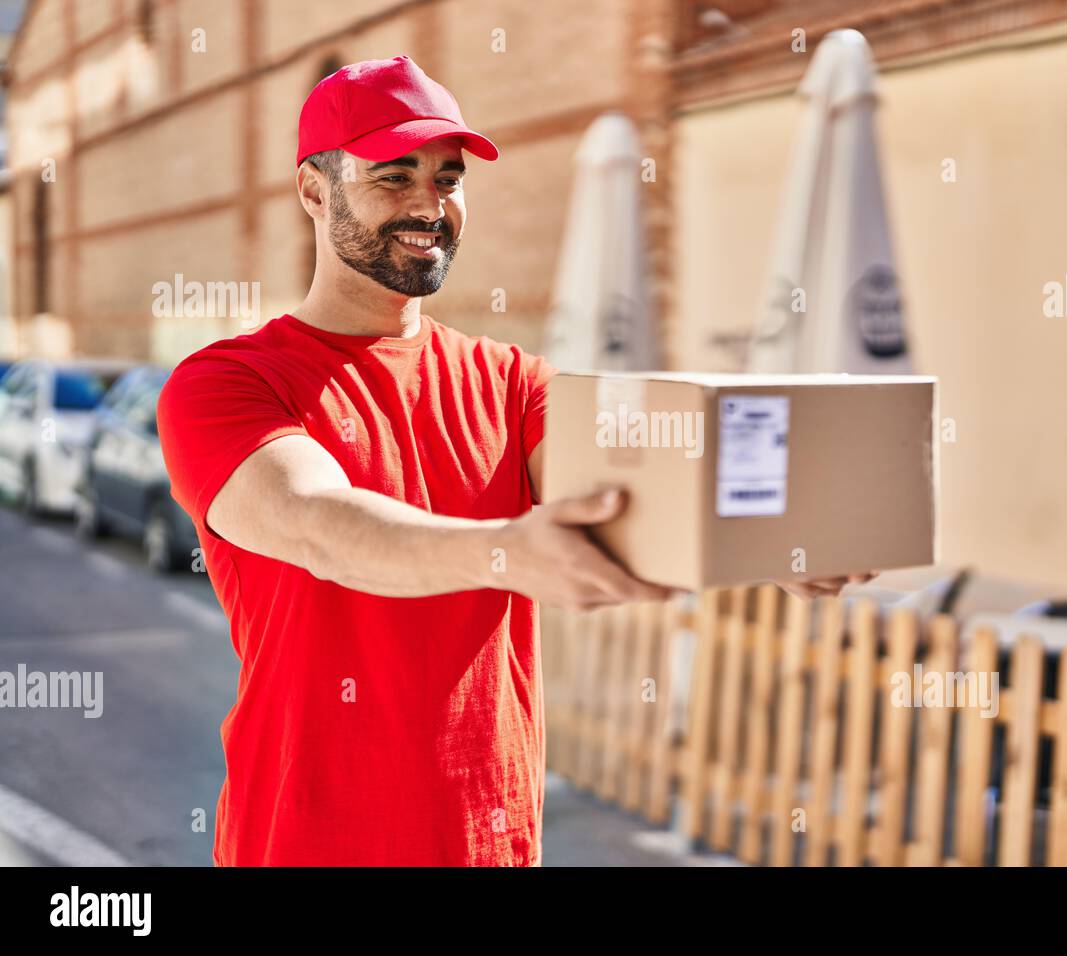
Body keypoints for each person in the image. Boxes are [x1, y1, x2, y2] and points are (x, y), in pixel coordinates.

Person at [157, 55, 871, 867]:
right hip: (307, 842)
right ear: (314, 192)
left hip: (491, 843)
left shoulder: (513, 381)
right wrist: (509, 550)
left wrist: (767, 539)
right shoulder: (227, 383)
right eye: (395, 177)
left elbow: (636, 493)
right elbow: (318, 524)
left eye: (449, 178)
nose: (432, 204)